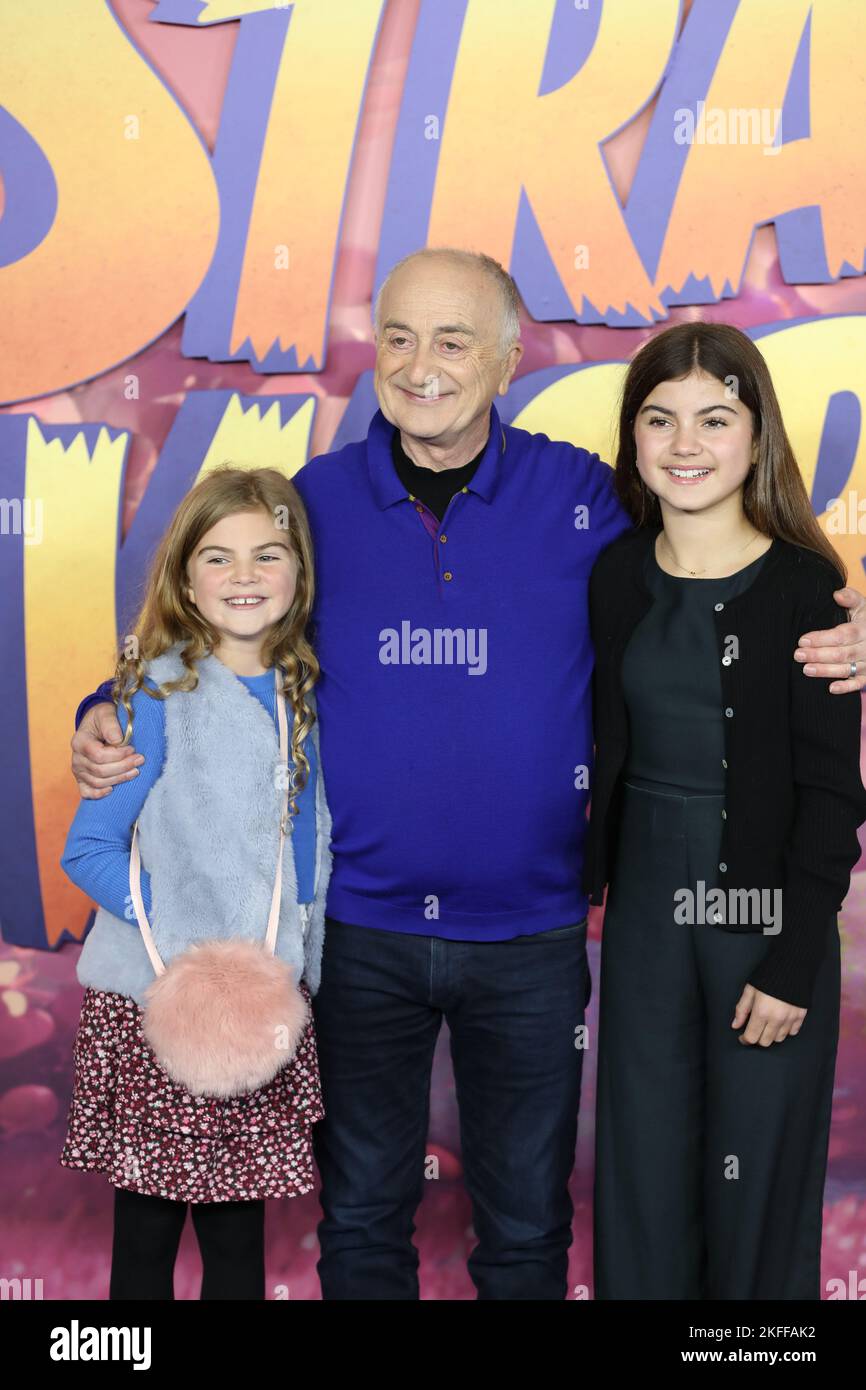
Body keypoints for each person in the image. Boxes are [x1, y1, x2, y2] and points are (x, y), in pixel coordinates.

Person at [68, 249, 866, 1301]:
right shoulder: (315, 506)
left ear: (505, 358)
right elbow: (217, 610)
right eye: (396, 337)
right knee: (358, 1217)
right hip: (357, 931)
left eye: (452, 340)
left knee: (527, 1227)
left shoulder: (586, 500)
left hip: (532, 937)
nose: (420, 364)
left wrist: (841, 621)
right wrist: (105, 712)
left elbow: (724, 566)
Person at [583, 321, 866, 1300]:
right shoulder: (614, 576)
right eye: (657, 419)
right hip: (645, 917)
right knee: (639, 1175)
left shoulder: (805, 590)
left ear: (756, 436)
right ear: (632, 439)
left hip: (764, 917)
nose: (683, 442)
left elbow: (833, 797)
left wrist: (790, 962)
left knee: (755, 1189)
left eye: (713, 417)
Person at [59, 466, 332, 1300]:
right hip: (155, 1006)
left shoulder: (310, 693)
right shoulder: (153, 693)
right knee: (144, 1237)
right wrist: (191, 959)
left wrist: (294, 968)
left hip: (264, 1009)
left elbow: (306, 854)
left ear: (299, 571)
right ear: (183, 575)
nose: (244, 577)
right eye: (217, 557)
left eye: (266, 554)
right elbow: (90, 849)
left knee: (236, 1239)